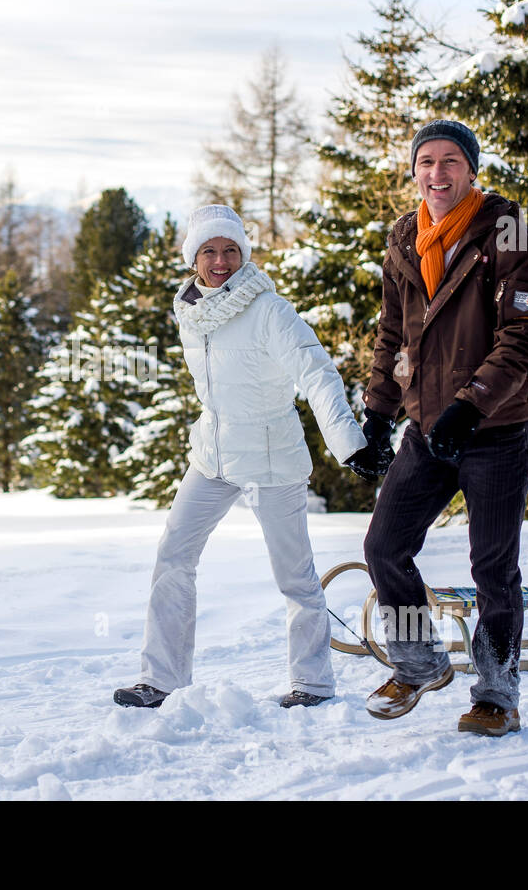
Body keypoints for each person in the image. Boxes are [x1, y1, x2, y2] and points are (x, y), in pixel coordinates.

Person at [345, 119, 528, 736]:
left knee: (492, 567)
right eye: (426, 162)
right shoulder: (406, 236)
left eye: (451, 161)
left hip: (494, 429)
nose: (437, 174)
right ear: (414, 170)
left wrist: (473, 404)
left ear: (471, 169)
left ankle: (496, 692)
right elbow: (393, 335)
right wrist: (380, 414)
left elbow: (527, 337)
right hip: (426, 427)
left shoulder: (509, 233)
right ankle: (418, 662)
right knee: (385, 545)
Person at [114, 204, 369, 709]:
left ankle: (313, 684)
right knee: (173, 557)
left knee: (294, 577)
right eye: (209, 250)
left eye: (230, 249)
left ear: (244, 254)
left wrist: (348, 441)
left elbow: (316, 372)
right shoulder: (191, 312)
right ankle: (160, 679)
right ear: (193, 259)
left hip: (272, 458)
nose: (221, 260)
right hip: (212, 455)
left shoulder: (270, 311)